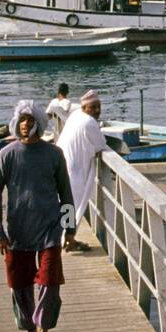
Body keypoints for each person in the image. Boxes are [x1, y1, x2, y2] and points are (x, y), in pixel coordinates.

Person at [0, 100, 76, 332]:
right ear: (16, 123)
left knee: (50, 280)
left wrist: (69, 229)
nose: (26, 124)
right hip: (18, 229)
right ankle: (29, 329)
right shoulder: (7, 155)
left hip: (50, 227)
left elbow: (66, 193)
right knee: (19, 283)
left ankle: (43, 328)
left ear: (40, 123)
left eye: (31, 120)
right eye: (22, 120)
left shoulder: (54, 154)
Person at [56, 90, 107, 249]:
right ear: (85, 107)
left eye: (99, 106)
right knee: (73, 205)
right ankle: (66, 238)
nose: (97, 110)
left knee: (65, 204)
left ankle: (66, 237)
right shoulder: (89, 122)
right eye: (93, 107)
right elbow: (100, 145)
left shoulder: (75, 115)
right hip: (74, 170)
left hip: (61, 165)